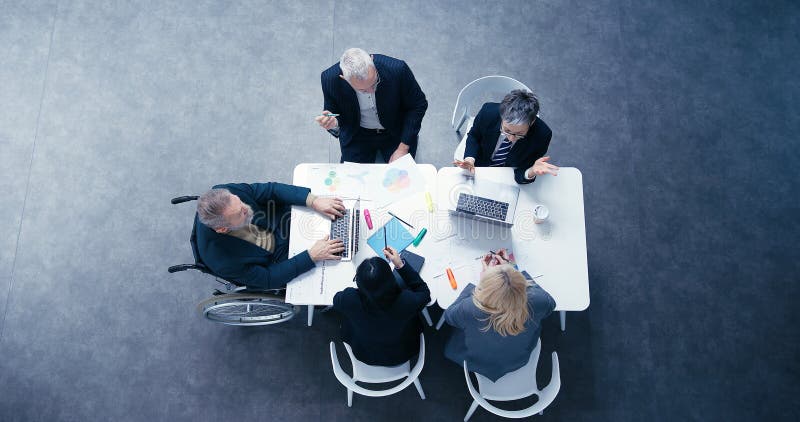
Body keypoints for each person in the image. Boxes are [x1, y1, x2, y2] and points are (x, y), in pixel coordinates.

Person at [194, 182, 346, 290]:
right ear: (222, 229)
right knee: (339, 270)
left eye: (240, 202)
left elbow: (270, 190)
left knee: (339, 216)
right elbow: (268, 279)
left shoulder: (227, 193)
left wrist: (314, 201)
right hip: (278, 257)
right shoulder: (221, 260)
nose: (245, 208)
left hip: (283, 219)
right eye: (240, 213)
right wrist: (311, 256)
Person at [443, 249, 556, 381]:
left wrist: (482, 284)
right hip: (518, 358)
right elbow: (550, 305)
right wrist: (511, 271)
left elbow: (449, 316)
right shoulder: (538, 300)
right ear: (523, 285)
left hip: (476, 360)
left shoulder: (469, 308)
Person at [316, 47, 428, 164]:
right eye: (362, 90)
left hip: (395, 131)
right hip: (357, 135)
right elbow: (333, 112)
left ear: (372, 60)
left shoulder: (398, 69)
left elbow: (418, 105)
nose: (371, 91)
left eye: (375, 82)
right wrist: (334, 123)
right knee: (350, 179)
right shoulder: (329, 79)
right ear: (344, 79)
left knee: (402, 178)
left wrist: (403, 147)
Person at [332, 246, 431, 366]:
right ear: (391, 280)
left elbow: (336, 300)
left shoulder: (349, 299)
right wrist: (400, 265)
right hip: (402, 353)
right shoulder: (407, 301)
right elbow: (424, 293)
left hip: (365, 354)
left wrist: (358, 290)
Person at [453, 89, 560, 184]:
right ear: (501, 116)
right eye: (507, 130)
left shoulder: (542, 135)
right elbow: (474, 136)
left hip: (509, 175)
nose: (511, 138)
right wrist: (470, 159)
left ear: (531, 122)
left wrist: (531, 171)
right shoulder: (487, 112)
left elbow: (522, 170)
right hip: (480, 163)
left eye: (519, 134)